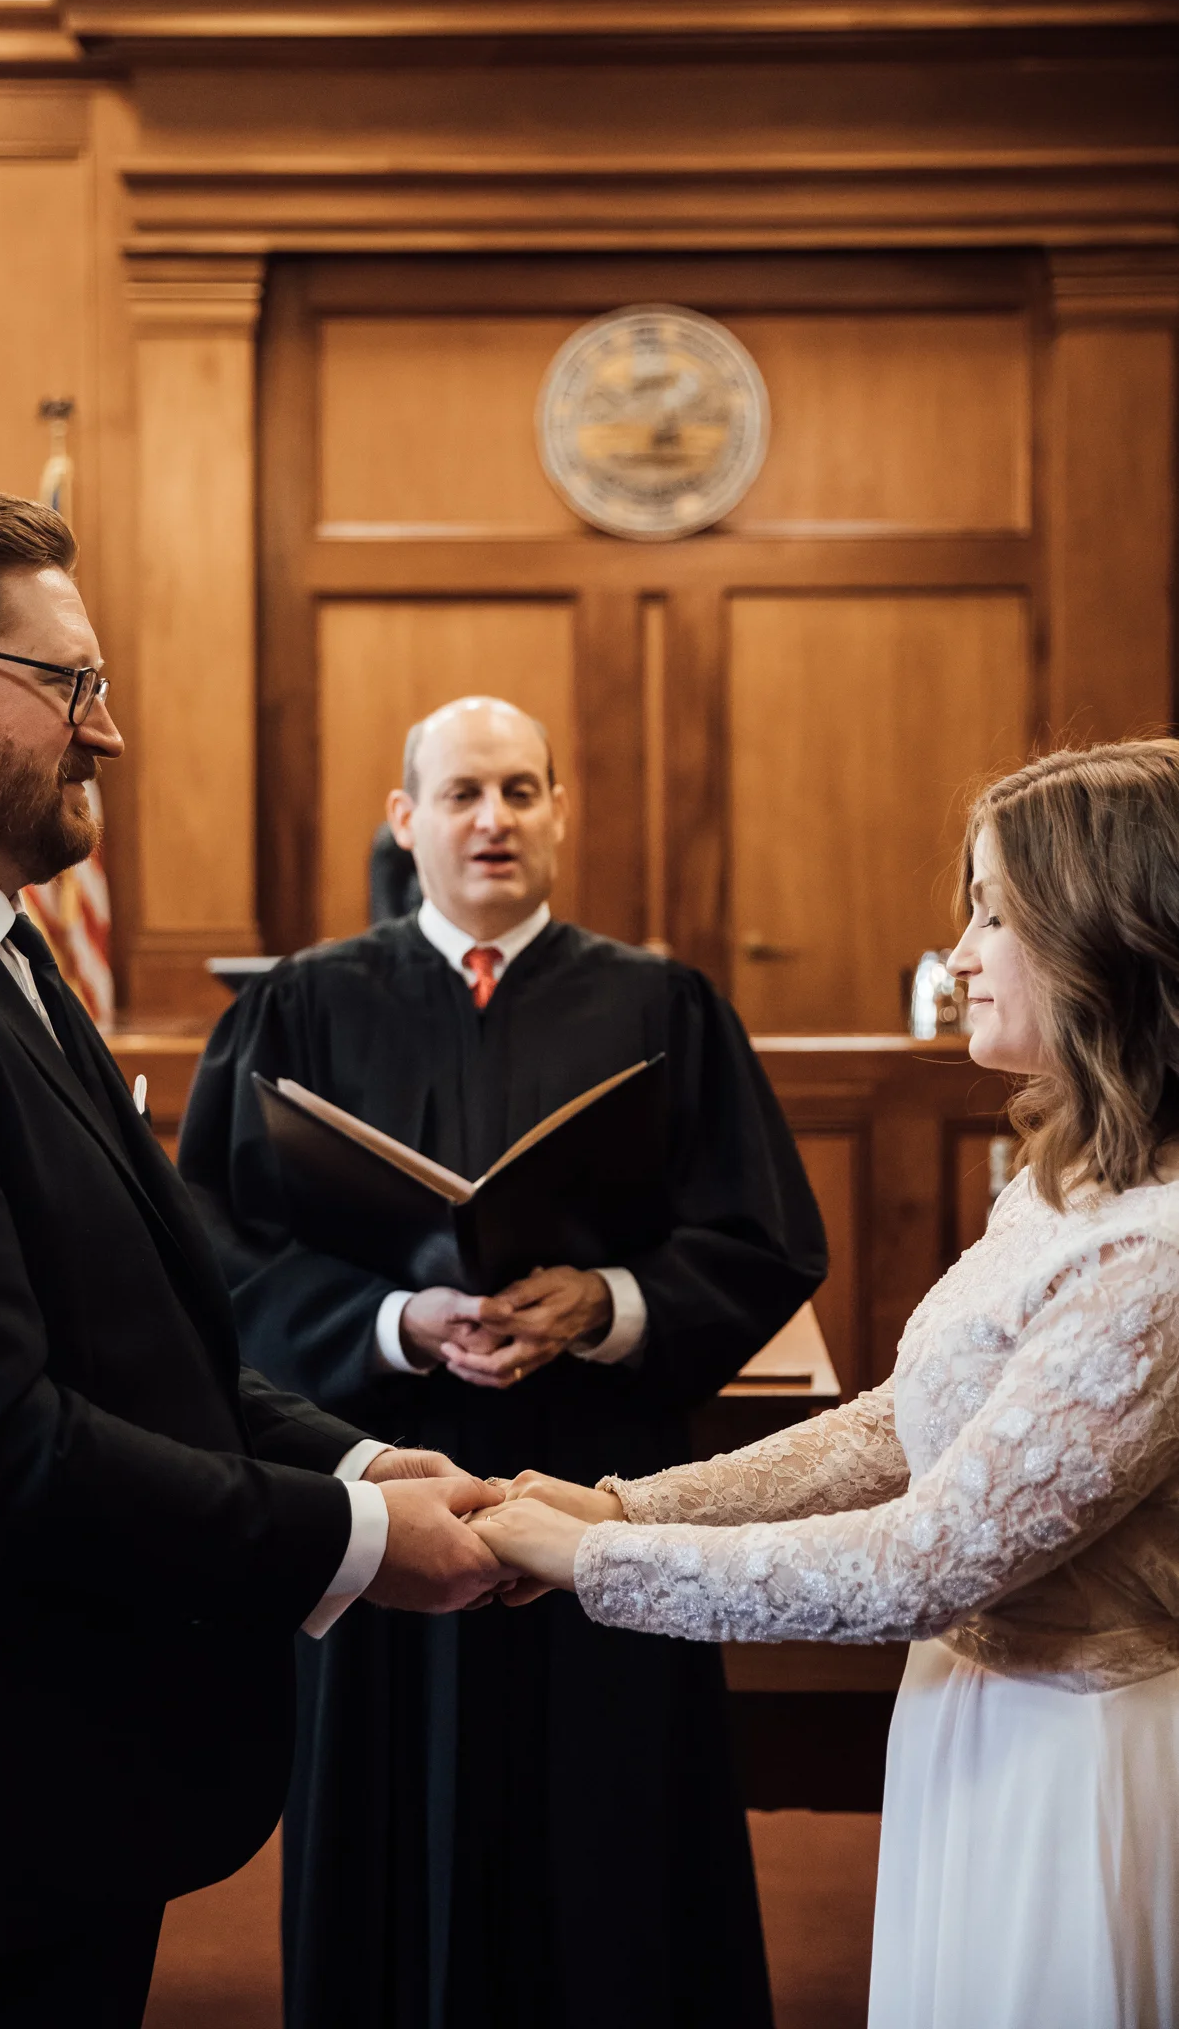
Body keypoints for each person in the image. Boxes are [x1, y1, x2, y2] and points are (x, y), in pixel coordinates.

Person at [0, 478, 505, 2029]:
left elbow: (139, 1333)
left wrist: (358, 1465)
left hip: (48, 1796)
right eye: (70, 686)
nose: (107, 732)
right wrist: (358, 1549)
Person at [475, 739, 1179, 2029]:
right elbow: (904, 1424)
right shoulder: (1065, 1181)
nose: (959, 956)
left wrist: (590, 1567)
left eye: (991, 913)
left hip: (1090, 1761)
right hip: (978, 1714)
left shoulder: (1160, 1255)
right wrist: (619, 1510)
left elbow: (928, 1560)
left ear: (1106, 938)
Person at [180, 694, 827, 2029]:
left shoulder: (664, 1006)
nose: (494, 820)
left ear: (560, 815)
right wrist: (390, 1321)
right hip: (380, 1485)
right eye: (464, 793)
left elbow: (766, 1237)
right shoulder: (297, 1012)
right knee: (387, 1831)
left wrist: (608, 1303)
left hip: (605, 1486)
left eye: (523, 791)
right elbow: (206, 1251)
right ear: (405, 818)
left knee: (617, 1841)